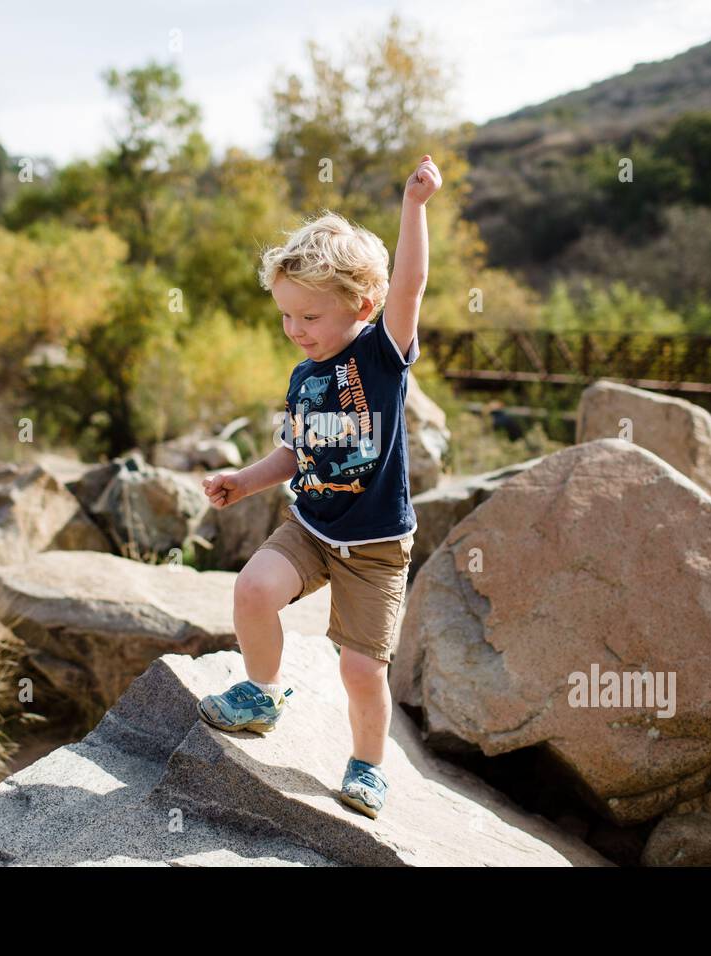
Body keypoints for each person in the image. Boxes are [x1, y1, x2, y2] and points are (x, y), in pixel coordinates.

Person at [197, 155, 442, 818]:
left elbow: (411, 286)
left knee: (361, 670)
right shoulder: (306, 374)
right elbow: (293, 449)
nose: (296, 331)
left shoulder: (380, 354)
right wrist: (243, 483)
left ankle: (368, 766)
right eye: (286, 317)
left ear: (361, 306)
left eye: (308, 318)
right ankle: (263, 693)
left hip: (375, 546)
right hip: (309, 526)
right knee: (252, 590)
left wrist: (414, 205)